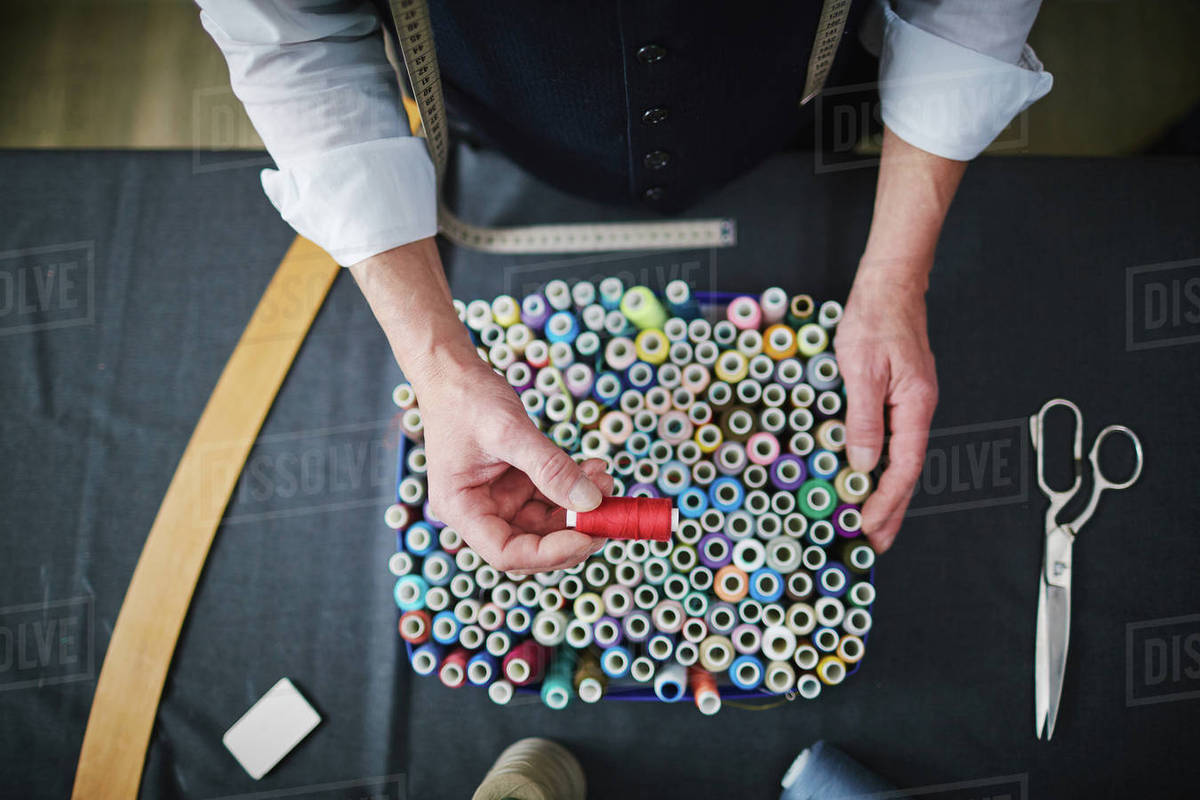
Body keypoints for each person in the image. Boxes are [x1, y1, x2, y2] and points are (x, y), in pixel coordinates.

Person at [198, 0, 1051, 572]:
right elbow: (297, 41)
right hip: (505, 115)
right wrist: (439, 365)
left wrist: (898, 275)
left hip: (790, 105)